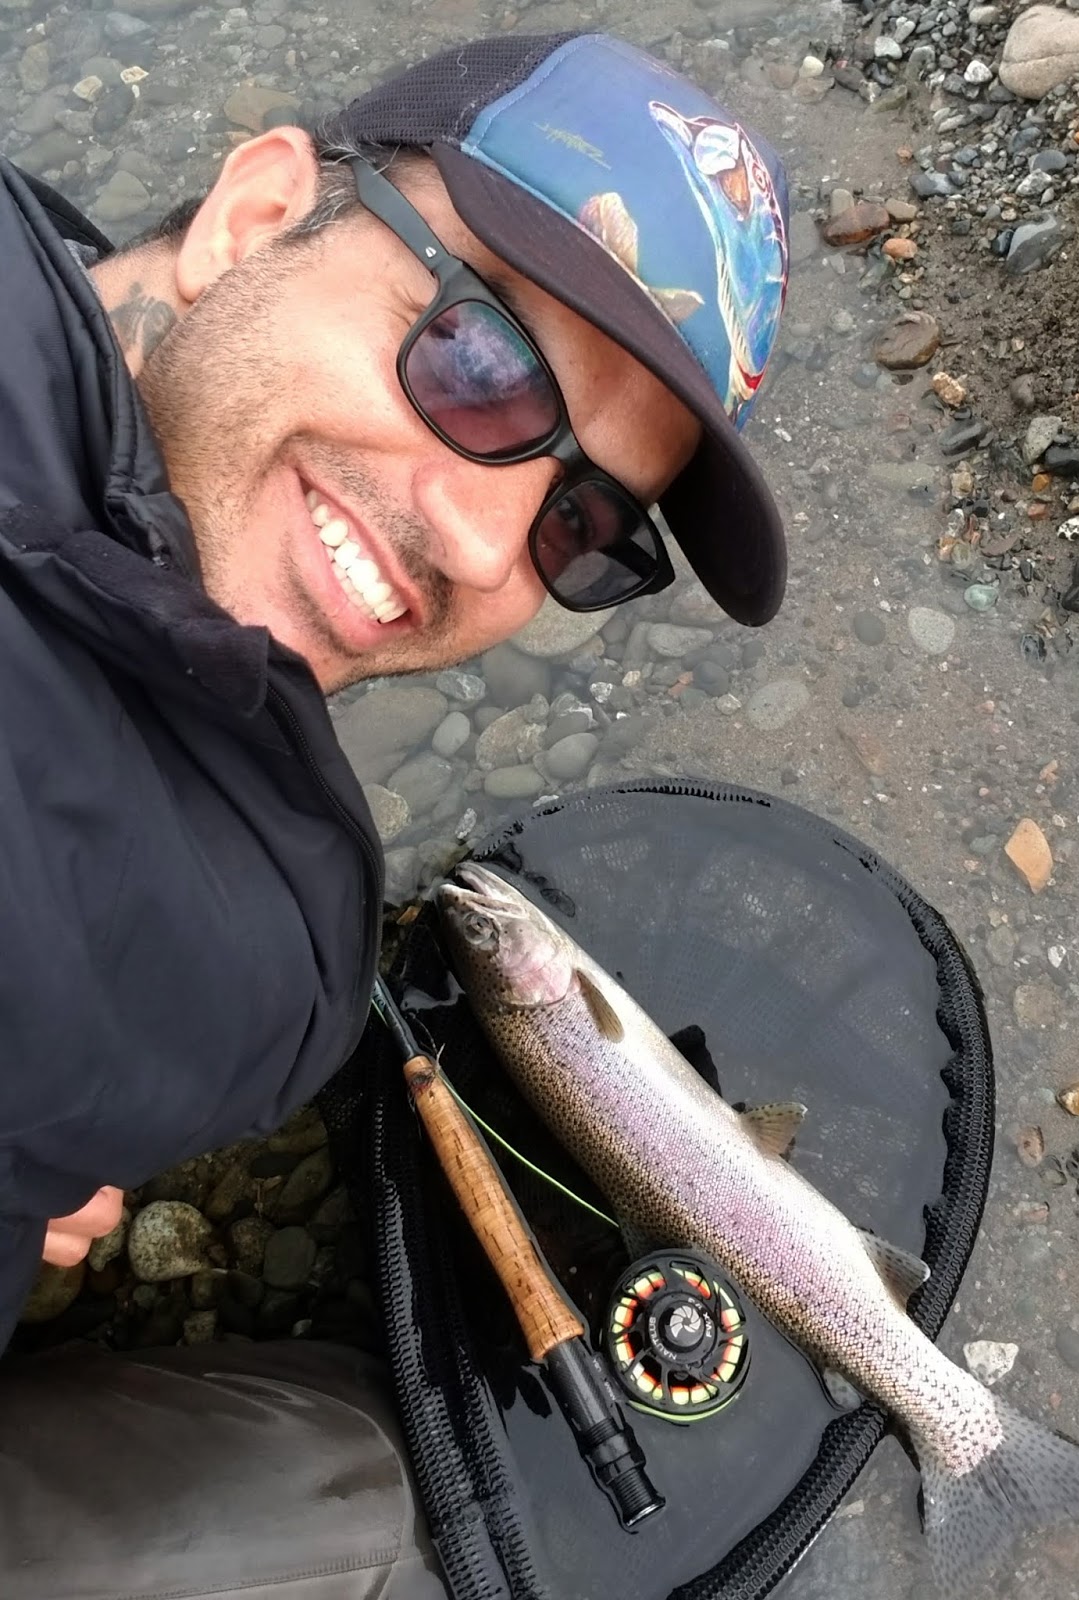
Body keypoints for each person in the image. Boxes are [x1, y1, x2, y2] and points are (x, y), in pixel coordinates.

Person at [0, 30, 789, 1599]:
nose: (488, 548)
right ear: (253, 210)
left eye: (584, 527)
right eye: (481, 363)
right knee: (376, 1500)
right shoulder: (247, 960)